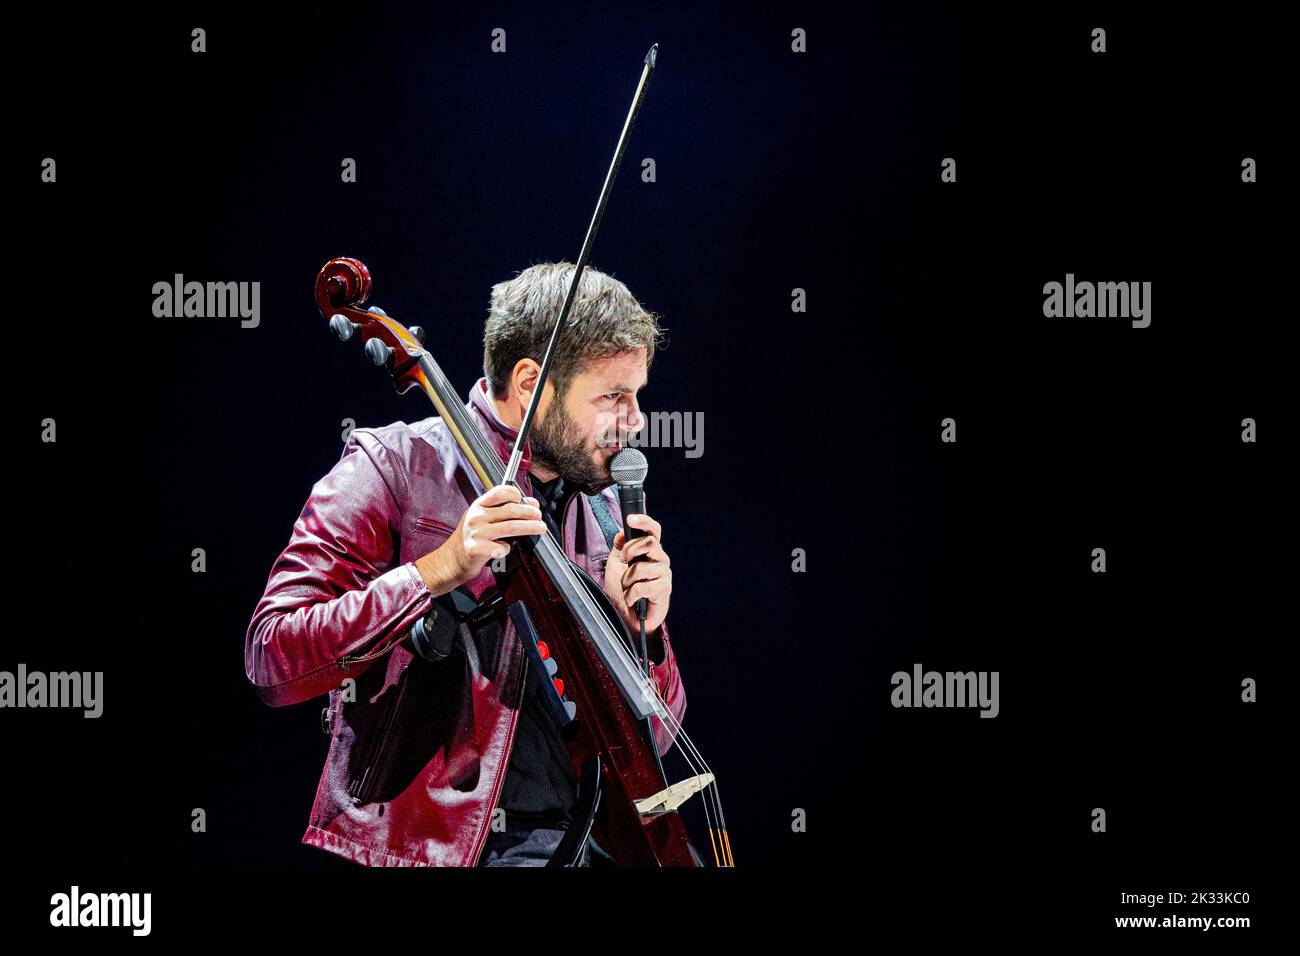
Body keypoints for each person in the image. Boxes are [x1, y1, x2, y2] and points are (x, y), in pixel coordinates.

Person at [244, 262, 686, 866]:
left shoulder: (603, 510)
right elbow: (273, 657)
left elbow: (656, 741)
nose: (635, 420)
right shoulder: (394, 465)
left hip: (587, 842)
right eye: (613, 396)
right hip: (441, 851)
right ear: (531, 383)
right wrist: (438, 569)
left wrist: (645, 632)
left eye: (637, 396)